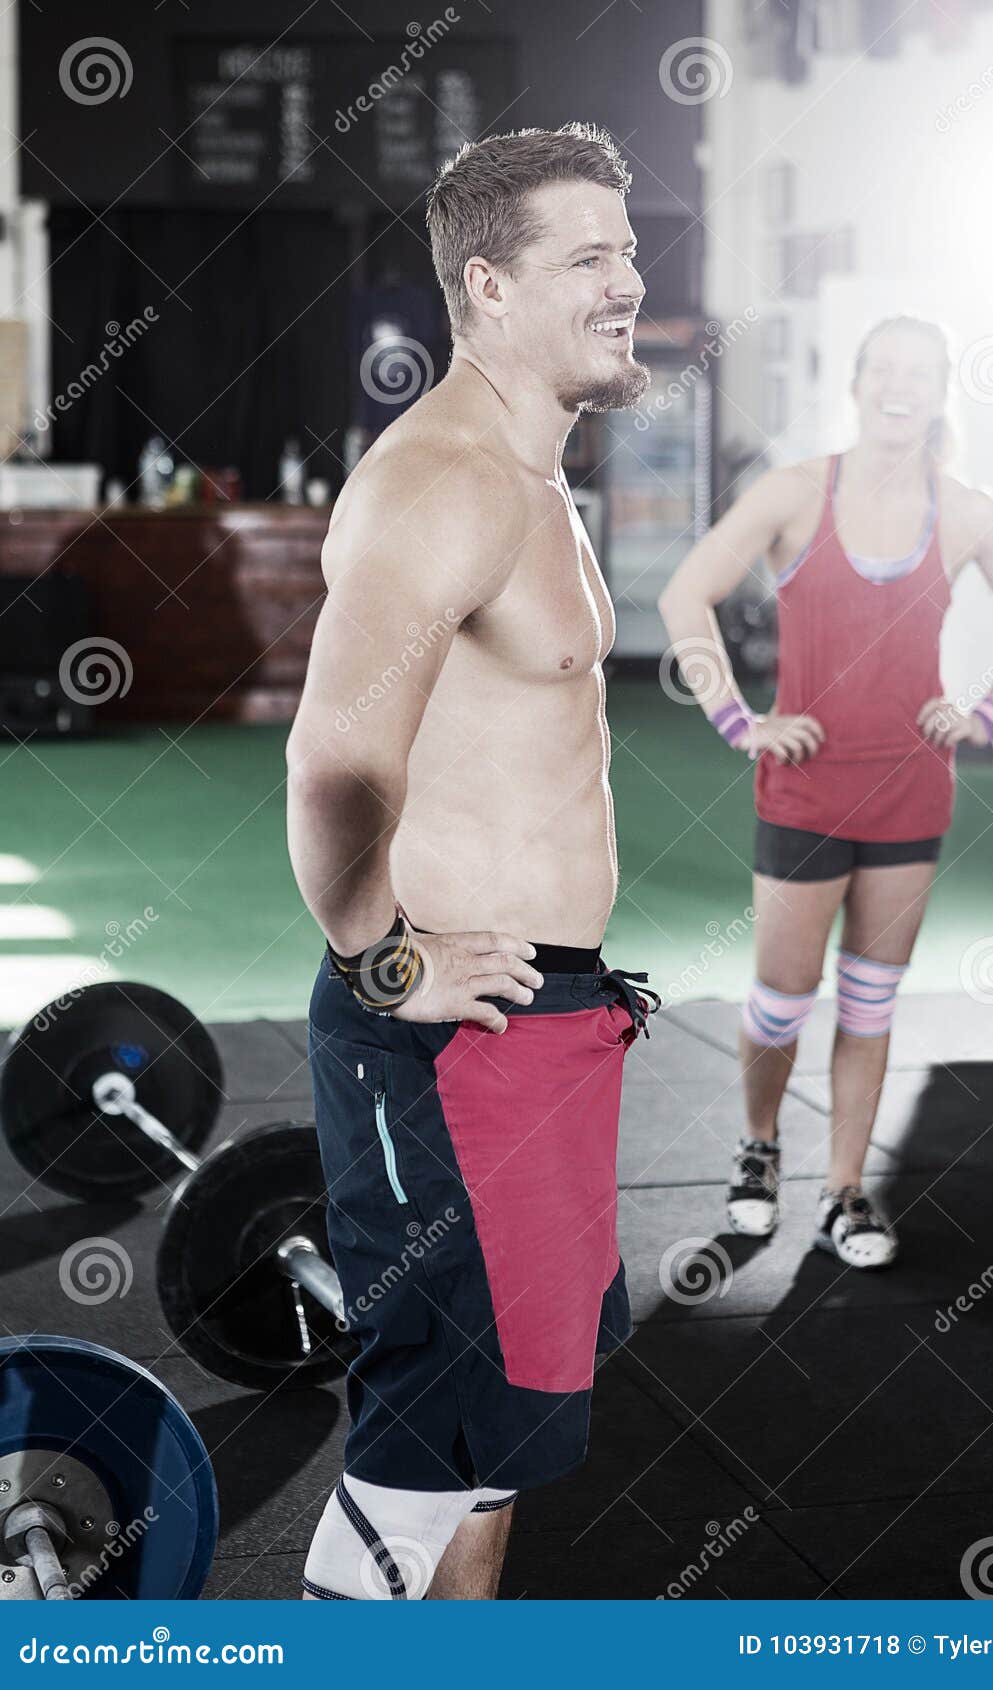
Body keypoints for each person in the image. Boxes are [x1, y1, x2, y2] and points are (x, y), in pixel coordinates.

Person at [285, 122, 659, 1602]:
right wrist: (388, 957)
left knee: (494, 1440)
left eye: (629, 250)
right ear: (488, 287)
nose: (628, 281)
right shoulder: (443, 479)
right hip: (445, 1045)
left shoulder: (532, 475)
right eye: (591, 257)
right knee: (414, 1459)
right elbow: (332, 760)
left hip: (540, 1026)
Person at [658, 315, 993, 1269]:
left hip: (911, 795)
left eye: (918, 372)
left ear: (940, 388)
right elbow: (685, 596)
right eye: (883, 367)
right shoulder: (797, 491)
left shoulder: (962, 508)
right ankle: (758, 1150)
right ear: (856, 382)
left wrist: (986, 713)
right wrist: (738, 721)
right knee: (781, 1005)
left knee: (870, 1007)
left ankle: (844, 1193)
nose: (898, 385)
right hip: (802, 791)